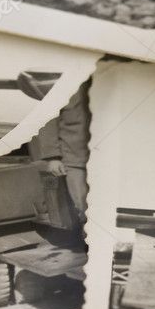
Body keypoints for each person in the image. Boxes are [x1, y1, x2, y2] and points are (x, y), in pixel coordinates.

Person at [36, 81, 91, 227]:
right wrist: (53, 157)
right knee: (84, 205)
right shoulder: (62, 82)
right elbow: (47, 119)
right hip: (75, 158)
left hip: (106, 154)